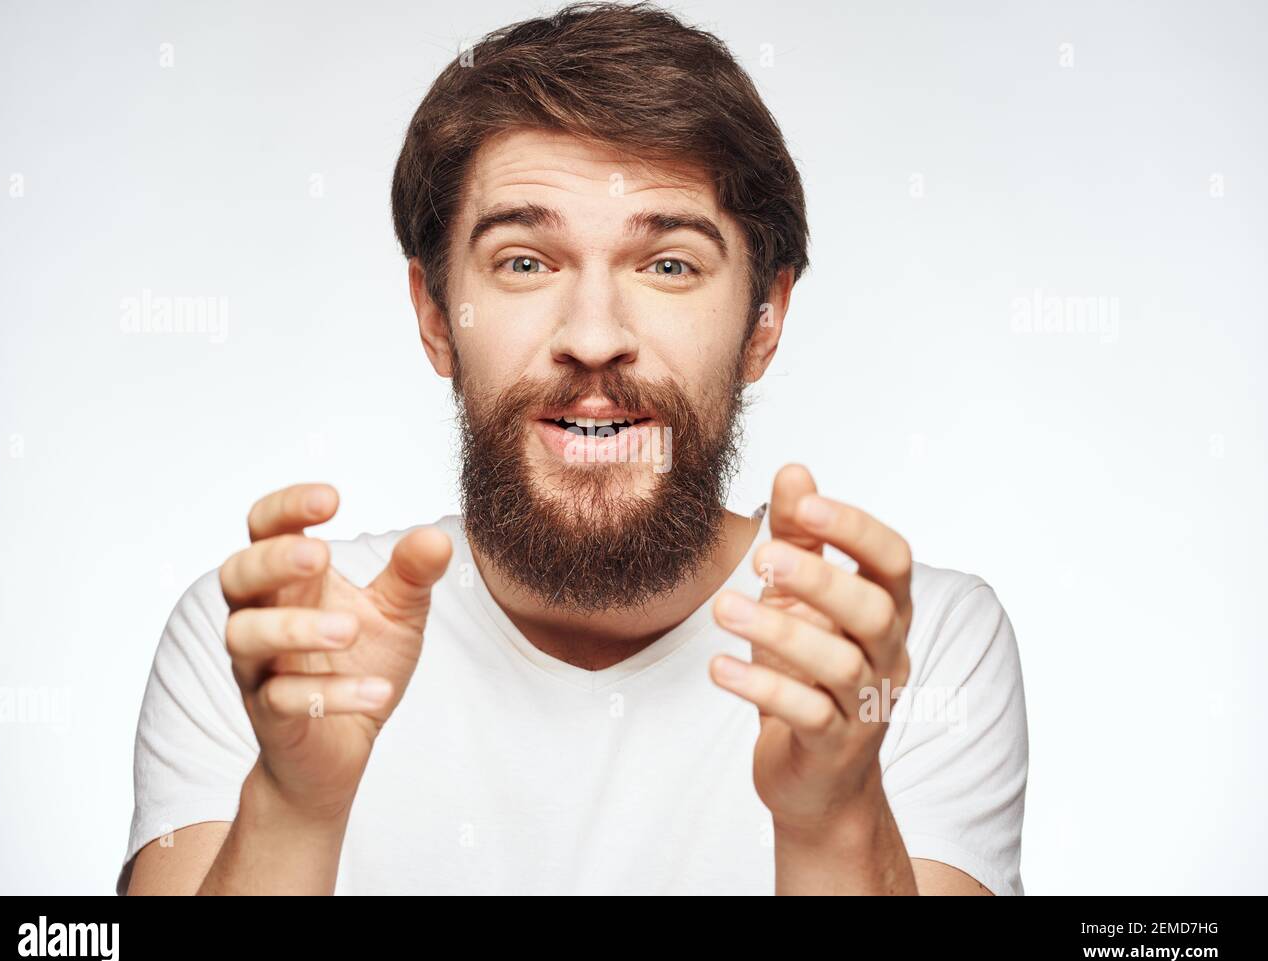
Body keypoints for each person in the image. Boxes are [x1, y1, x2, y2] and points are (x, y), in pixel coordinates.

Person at [120, 1, 1028, 895]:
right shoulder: (274, 645)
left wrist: (834, 816)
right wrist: (293, 804)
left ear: (765, 320)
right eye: (525, 262)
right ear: (436, 315)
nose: (594, 336)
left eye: (669, 264)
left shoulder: (912, 652)